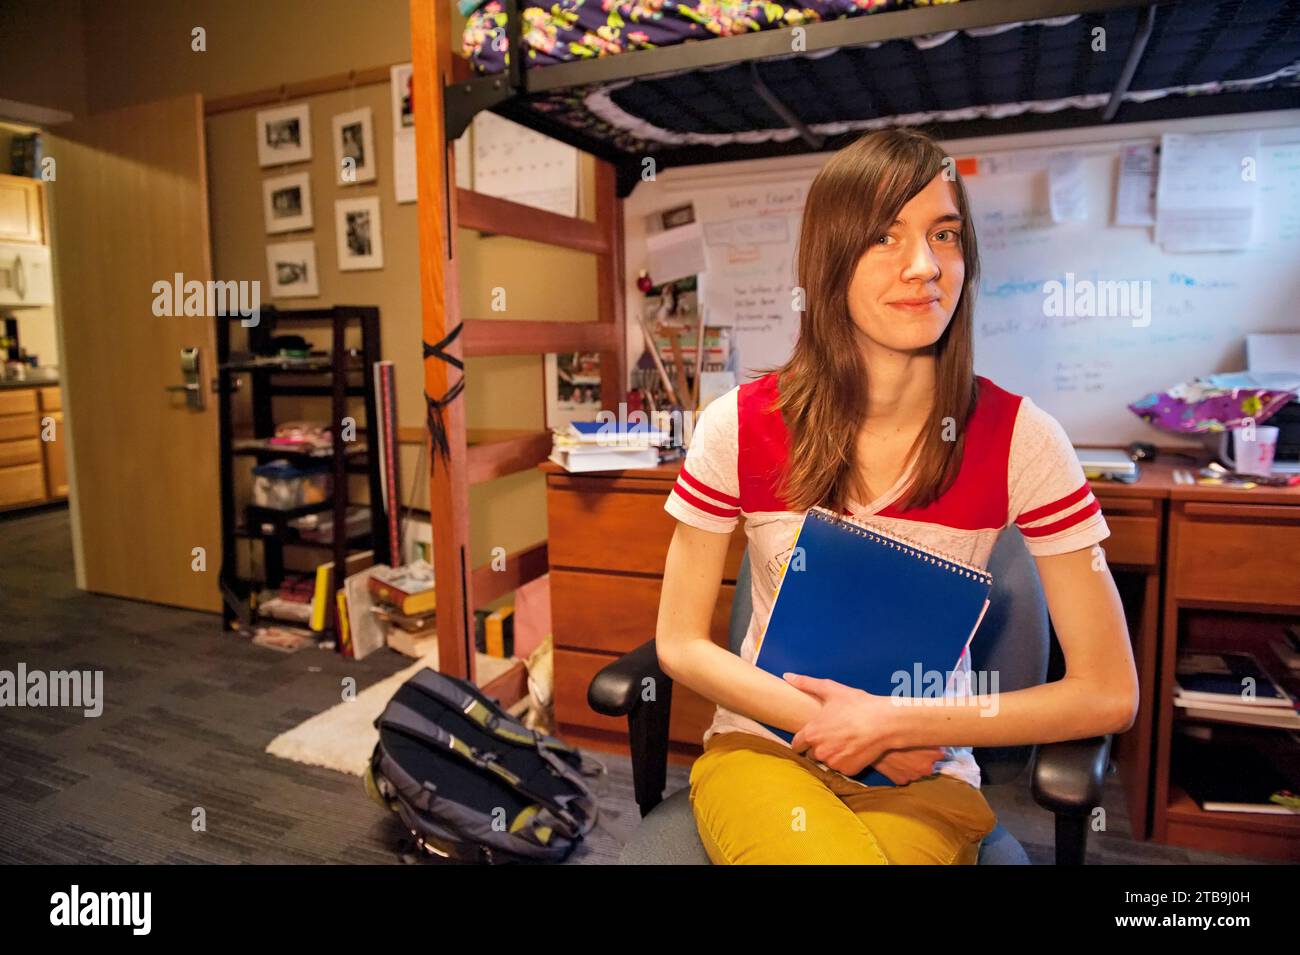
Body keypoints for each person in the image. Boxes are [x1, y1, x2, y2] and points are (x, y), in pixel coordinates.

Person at [657, 128, 1139, 865]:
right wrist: (838, 720)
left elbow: (1108, 691)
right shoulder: (739, 425)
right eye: (885, 236)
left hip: (924, 769)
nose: (923, 265)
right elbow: (678, 641)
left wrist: (899, 724)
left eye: (943, 233)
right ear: (829, 263)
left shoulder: (1021, 440)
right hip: (766, 749)